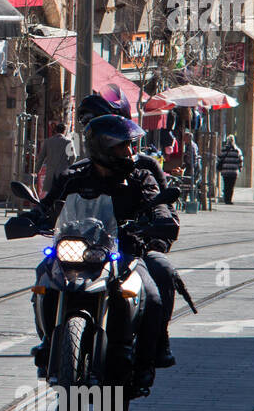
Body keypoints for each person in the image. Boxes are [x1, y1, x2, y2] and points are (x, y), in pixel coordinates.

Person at [29, 114, 178, 394]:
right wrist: (32, 217)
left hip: (126, 255)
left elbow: (155, 202)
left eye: (131, 146)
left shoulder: (140, 177)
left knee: (154, 296)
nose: (130, 152)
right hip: (78, 253)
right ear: (103, 148)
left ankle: (145, 363)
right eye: (123, 147)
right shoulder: (73, 177)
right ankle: (49, 341)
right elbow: (49, 205)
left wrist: (160, 218)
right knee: (43, 276)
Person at [40, 121, 75, 195]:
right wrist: (67, 165)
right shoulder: (68, 142)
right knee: (60, 193)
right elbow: (73, 157)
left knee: (50, 195)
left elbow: (41, 158)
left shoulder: (48, 141)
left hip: (50, 173)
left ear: (56, 130)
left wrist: (36, 171)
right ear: (64, 131)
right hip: (62, 173)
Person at [217, 134, 243, 205]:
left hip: (225, 171)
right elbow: (240, 160)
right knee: (231, 186)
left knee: (226, 185)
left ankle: (226, 199)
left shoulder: (223, 149)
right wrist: (240, 169)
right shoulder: (237, 150)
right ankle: (229, 199)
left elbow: (219, 159)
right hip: (233, 171)